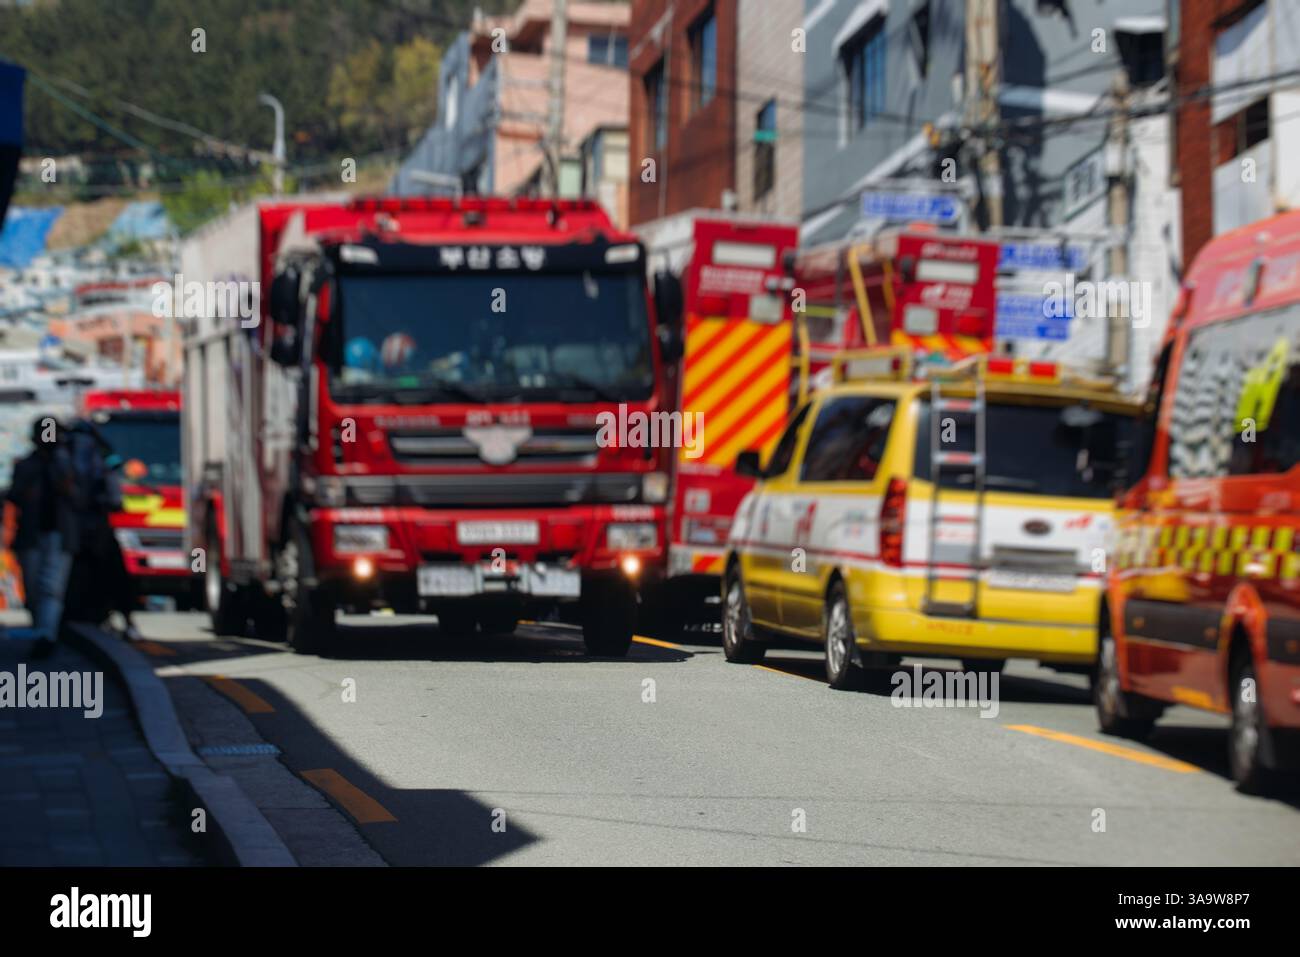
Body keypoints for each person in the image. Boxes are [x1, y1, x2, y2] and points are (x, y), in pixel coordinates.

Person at [5, 417, 82, 658]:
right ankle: (41, 629)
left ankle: (46, 635)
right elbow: (15, 495)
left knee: (51, 587)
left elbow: (76, 494)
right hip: (32, 534)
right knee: (33, 588)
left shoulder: (68, 462)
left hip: (59, 534)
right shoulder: (27, 464)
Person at [65, 419, 141, 641]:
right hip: (96, 524)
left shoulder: (65, 450)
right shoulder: (100, 451)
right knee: (114, 573)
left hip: (72, 527)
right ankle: (126, 620)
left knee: (75, 572)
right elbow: (114, 487)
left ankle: (85, 616)